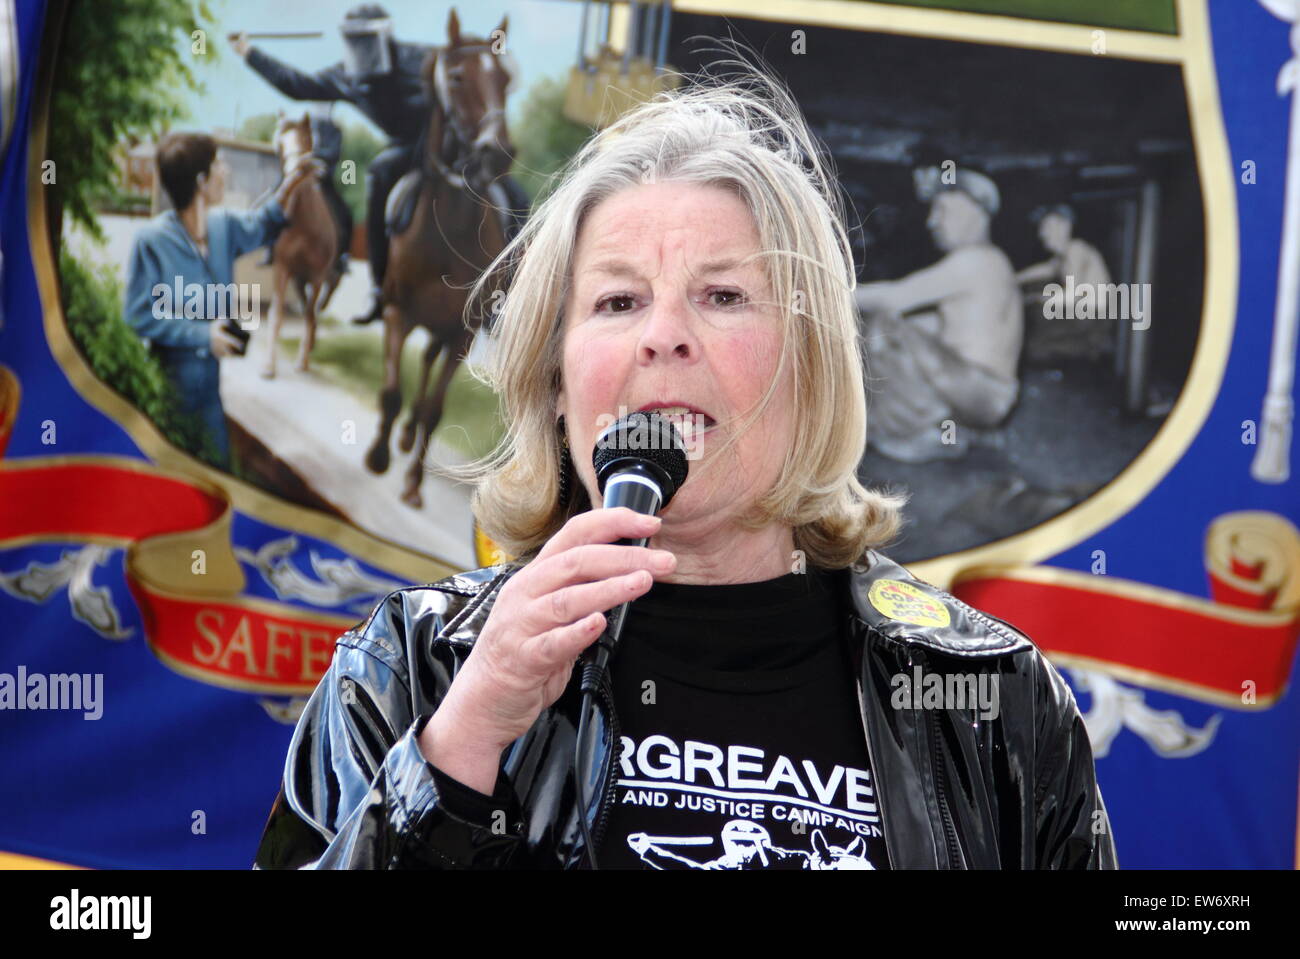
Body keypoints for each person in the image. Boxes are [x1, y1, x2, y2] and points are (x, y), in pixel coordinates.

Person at [252, 67, 1117, 870]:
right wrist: (462, 744)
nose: (661, 334)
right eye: (618, 300)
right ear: (556, 383)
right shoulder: (416, 664)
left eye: (724, 295)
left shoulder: (989, 696)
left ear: (809, 364)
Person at [122, 133, 315, 468]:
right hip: (168, 397)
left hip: (210, 397)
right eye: (219, 165)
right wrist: (202, 336)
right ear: (201, 180)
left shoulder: (223, 227)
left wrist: (291, 183)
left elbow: (263, 225)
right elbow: (137, 314)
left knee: (220, 477)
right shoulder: (151, 240)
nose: (226, 171)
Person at [855, 165, 1023, 463]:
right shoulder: (996, 262)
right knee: (911, 325)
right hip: (990, 392)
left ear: (973, 212)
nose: (932, 221)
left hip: (981, 390)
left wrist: (824, 293)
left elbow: (895, 297)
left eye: (942, 210)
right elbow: (956, 326)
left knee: (883, 324)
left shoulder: (973, 261)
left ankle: (913, 434)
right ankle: (951, 428)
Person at [1016, 203, 1114, 361]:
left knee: (1033, 341)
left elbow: (1072, 296)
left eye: (1047, 226)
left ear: (1065, 226)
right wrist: (1012, 279)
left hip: (1092, 323)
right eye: (1041, 227)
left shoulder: (1075, 249)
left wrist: (1033, 300)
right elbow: (1043, 270)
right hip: (1086, 320)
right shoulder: (1063, 257)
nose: (1042, 234)